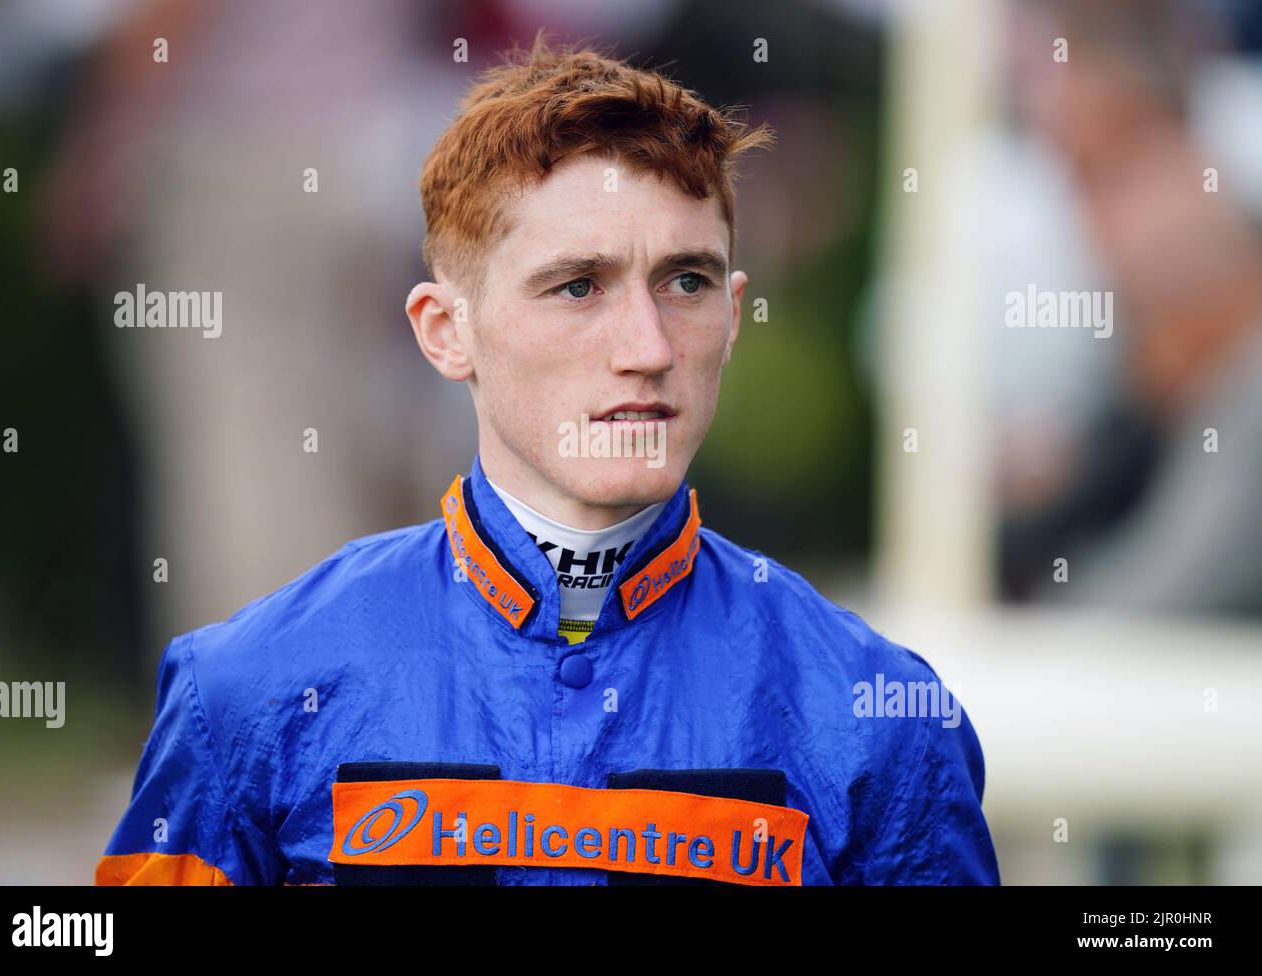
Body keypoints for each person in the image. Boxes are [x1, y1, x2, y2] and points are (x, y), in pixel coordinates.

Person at [96, 35, 999, 886]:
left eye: (685, 283)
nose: (646, 346)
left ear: (732, 315)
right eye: (578, 287)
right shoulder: (248, 690)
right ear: (446, 331)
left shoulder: (878, 718)